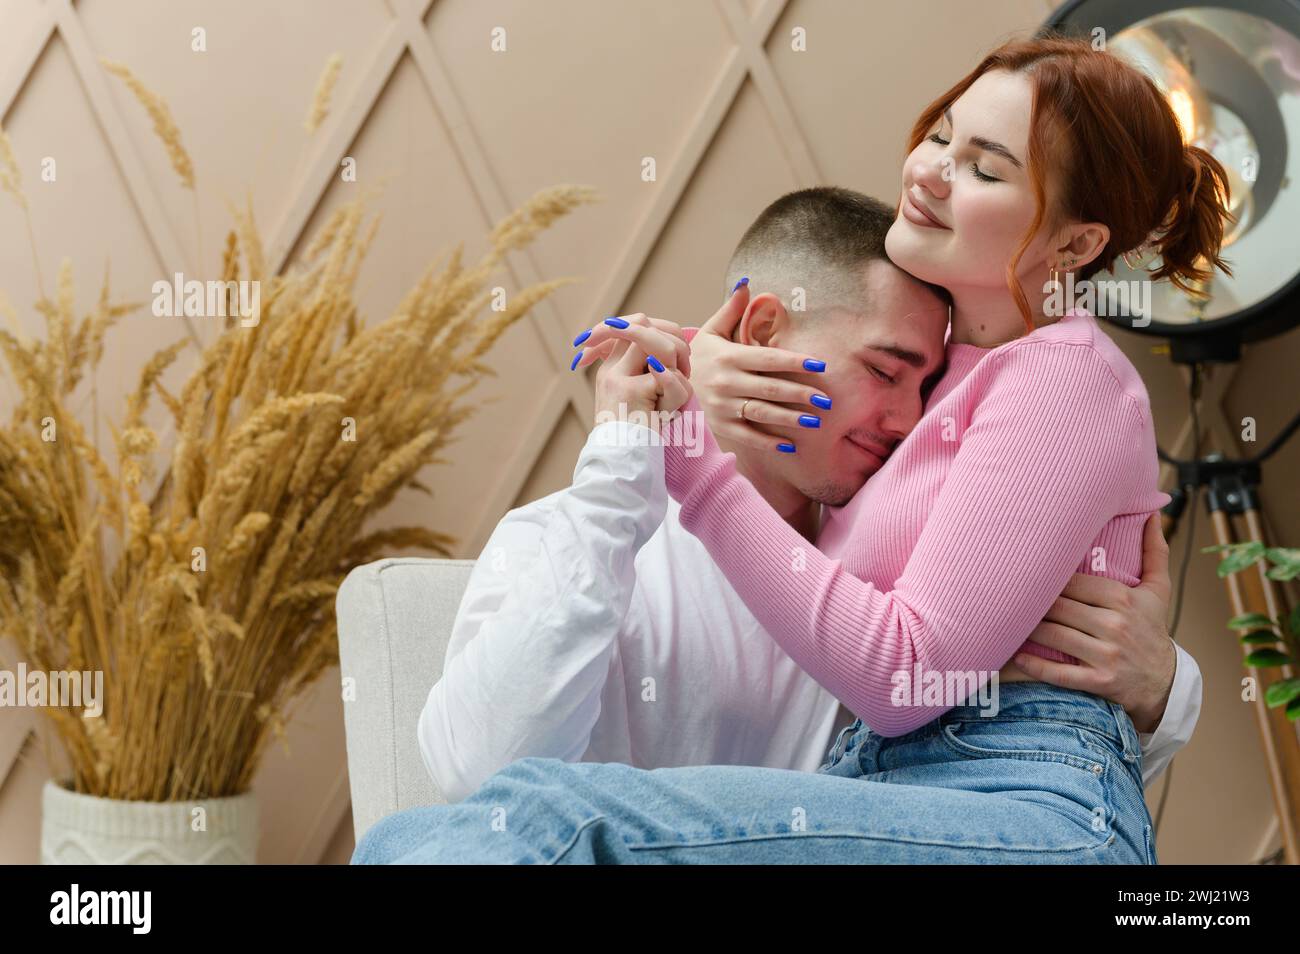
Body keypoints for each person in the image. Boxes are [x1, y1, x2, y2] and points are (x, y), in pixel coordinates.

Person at [354, 35, 1229, 864]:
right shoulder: (951, 388)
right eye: (938, 135)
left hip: (1018, 799)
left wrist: (688, 453)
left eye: (982, 167)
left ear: (1077, 246)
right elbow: (827, 391)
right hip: (889, 789)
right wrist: (693, 369)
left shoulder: (1064, 375)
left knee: (555, 815)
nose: (926, 173)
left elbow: (904, 673)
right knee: (409, 840)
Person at [414, 189, 1197, 809]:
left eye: (929, 388)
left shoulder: (888, 585)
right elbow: (482, 778)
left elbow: (1026, 783)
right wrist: (630, 454)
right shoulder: (571, 535)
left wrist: (1166, 691)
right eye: (886, 371)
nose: (906, 421)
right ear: (761, 329)